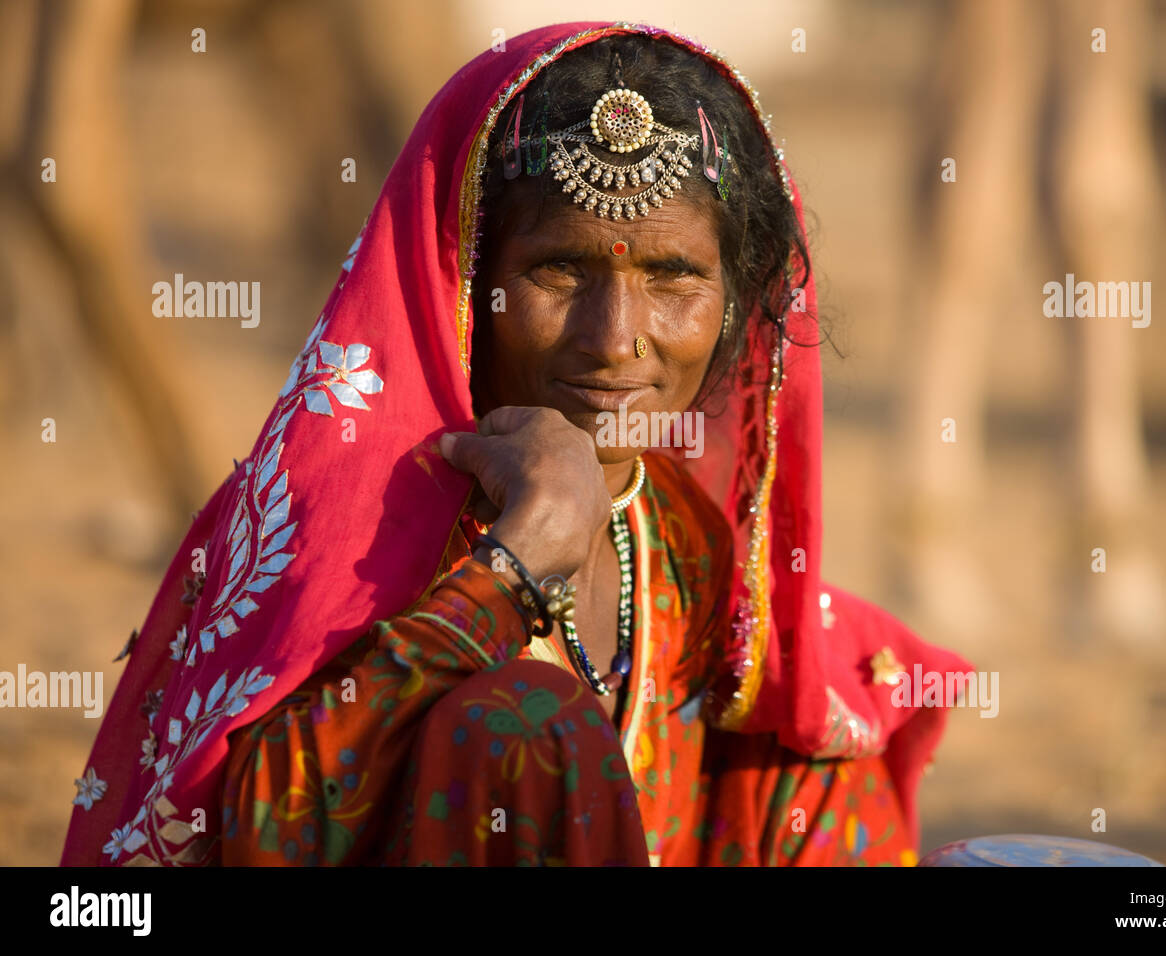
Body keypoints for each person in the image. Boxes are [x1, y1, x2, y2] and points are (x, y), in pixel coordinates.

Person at [61, 21, 973, 867]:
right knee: (526, 730)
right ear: (465, 279)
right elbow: (259, 828)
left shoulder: (679, 546)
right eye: (558, 271)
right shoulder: (345, 524)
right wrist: (511, 568)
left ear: (736, 307)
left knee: (824, 716)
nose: (615, 338)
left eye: (673, 277)